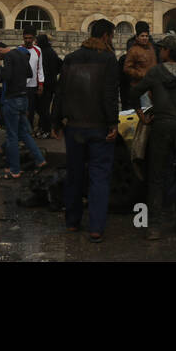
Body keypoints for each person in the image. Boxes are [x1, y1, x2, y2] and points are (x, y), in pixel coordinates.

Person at [53, 19, 119, 242]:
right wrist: (113, 123)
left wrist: (55, 122)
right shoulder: (109, 59)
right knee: (99, 177)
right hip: (99, 128)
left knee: (74, 174)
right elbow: (109, 95)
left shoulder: (71, 58)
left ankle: (72, 222)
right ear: (106, 36)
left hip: (73, 127)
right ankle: (95, 228)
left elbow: (60, 92)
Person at [128, 34, 176, 239]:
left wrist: (143, 116)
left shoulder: (155, 73)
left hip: (159, 127)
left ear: (167, 51)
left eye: (162, 49)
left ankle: (154, 227)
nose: (159, 51)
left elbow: (133, 93)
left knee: (156, 177)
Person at [0, 41, 47, 178]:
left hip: (12, 99)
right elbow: (30, 73)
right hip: (23, 98)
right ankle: (40, 159)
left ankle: (14, 169)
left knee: (12, 136)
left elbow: (5, 76)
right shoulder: (21, 54)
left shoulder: (8, 57)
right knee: (24, 133)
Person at [35, 33, 61, 137]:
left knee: (42, 108)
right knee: (43, 108)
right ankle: (44, 128)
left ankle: (47, 129)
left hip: (44, 85)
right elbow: (60, 64)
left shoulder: (43, 53)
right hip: (50, 84)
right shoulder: (51, 52)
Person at [20, 28, 45, 131]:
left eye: (30, 38)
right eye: (26, 38)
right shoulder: (18, 50)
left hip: (33, 86)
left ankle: (28, 132)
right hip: (21, 85)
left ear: (34, 38)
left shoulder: (38, 50)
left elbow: (40, 68)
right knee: (21, 110)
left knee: (30, 110)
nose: (28, 40)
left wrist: (41, 84)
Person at [124, 22, 158, 88]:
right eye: (142, 36)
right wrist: (141, 74)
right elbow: (127, 68)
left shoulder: (152, 47)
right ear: (137, 37)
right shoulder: (133, 49)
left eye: (146, 36)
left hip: (152, 84)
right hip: (139, 84)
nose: (144, 38)